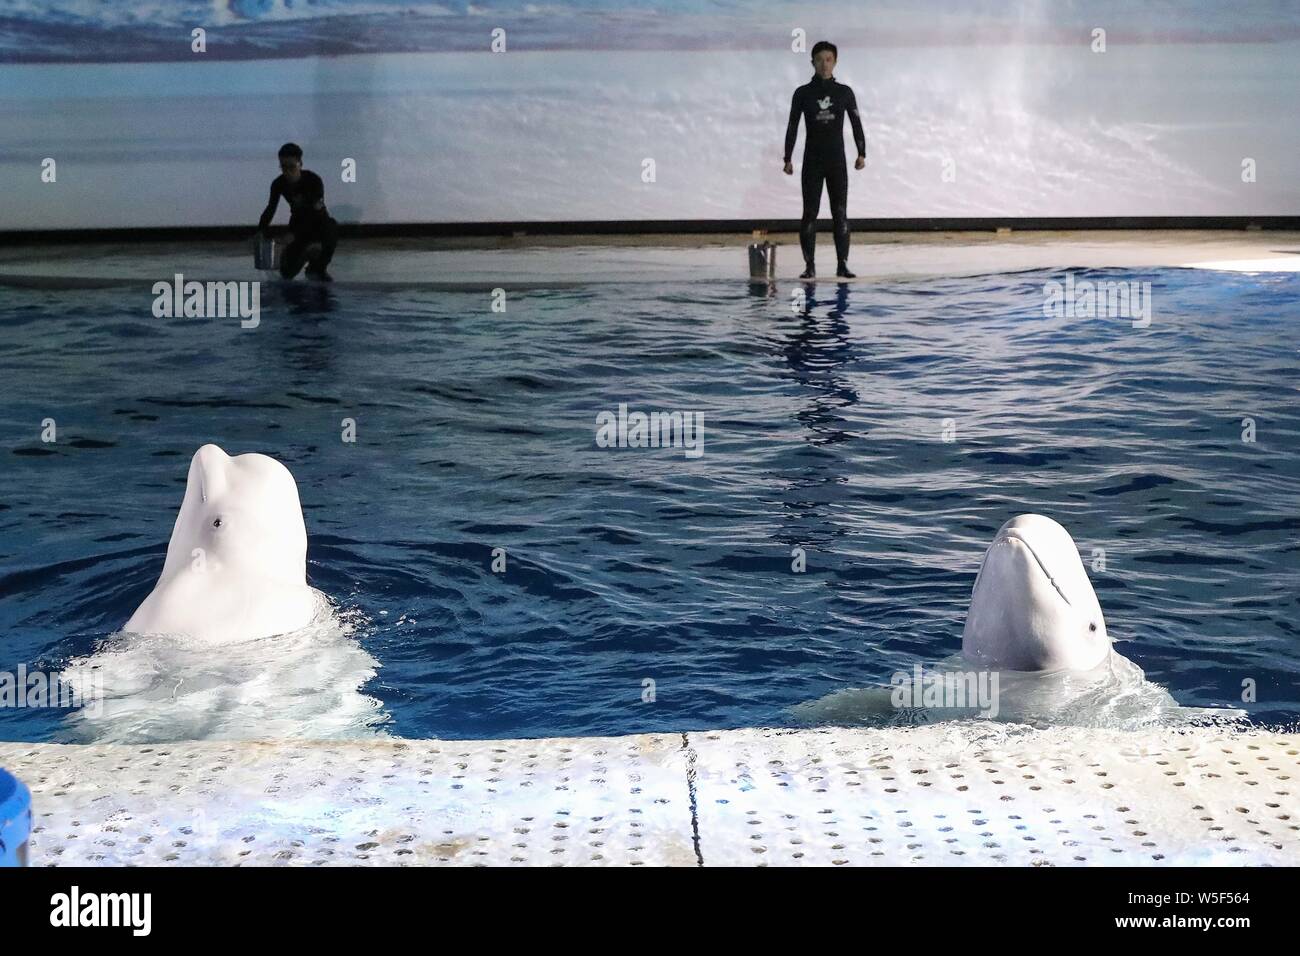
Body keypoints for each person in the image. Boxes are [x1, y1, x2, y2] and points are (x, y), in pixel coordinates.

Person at [783, 41, 866, 279]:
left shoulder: (844, 93)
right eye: (819, 60)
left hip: (836, 161)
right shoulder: (802, 93)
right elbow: (792, 126)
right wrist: (787, 157)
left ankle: (842, 264)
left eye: (829, 59)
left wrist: (862, 153)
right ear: (812, 63)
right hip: (813, 161)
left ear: (835, 62)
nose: (824, 64)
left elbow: (856, 123)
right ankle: (810, 265)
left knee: (840, 213)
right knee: (810, 213)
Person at [253, 143, 338, 281]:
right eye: (283, 167)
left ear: (300, 164)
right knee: (287, 273)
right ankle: (307, 253)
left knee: (331, 228)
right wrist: (260, 230)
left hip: (318, 225)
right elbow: (270, 208)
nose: (287, 172)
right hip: (297, 223)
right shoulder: (278, 184)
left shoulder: (313, 181)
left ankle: (317, 266)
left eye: (291, 167)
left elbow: (313, 214)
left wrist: (294, 235)